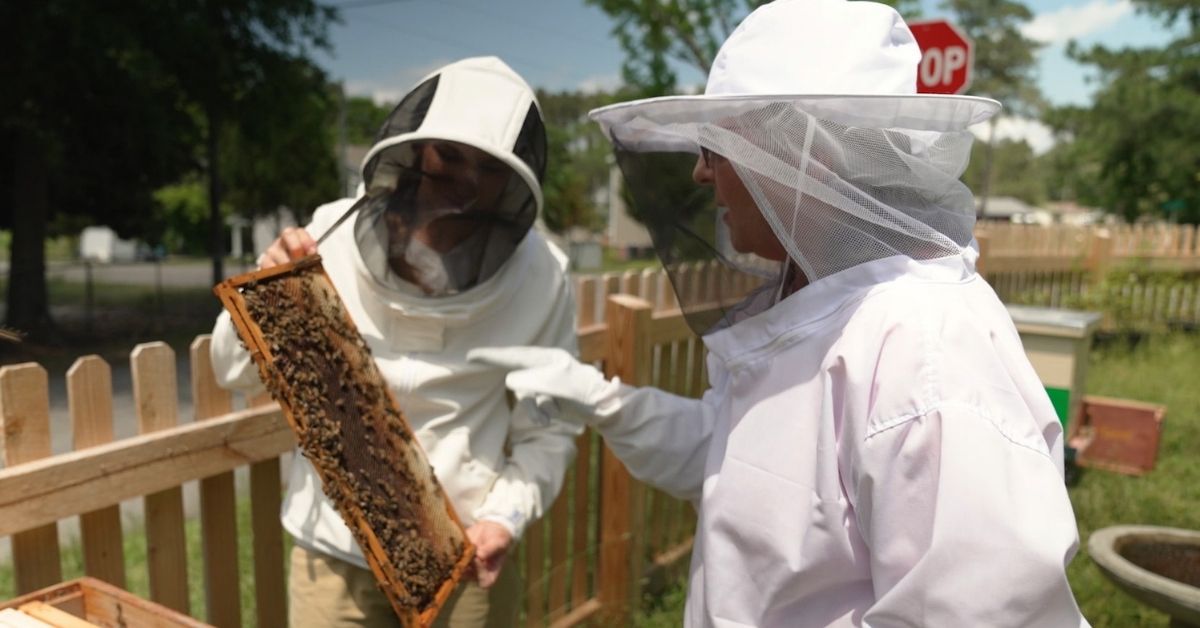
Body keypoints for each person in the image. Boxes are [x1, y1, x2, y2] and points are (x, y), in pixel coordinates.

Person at [469, 1, 1091, 626]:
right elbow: (741, 459)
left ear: (801, 158)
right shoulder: (821, 298)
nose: (700, 172)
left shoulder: (923, 350)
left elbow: (983, 612)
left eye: (717, 148)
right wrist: (601, 400)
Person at [209, 56, 580, 628]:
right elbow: (232, 371)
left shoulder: (544, 277)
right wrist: (269, 283)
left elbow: (549, 428)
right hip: (332, 550)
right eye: (450, 156)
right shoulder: (329, 233)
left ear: (512, 178)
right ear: (416, 149)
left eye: (485, 166)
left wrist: (504, 518)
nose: (463, 182)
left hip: (462, 552)